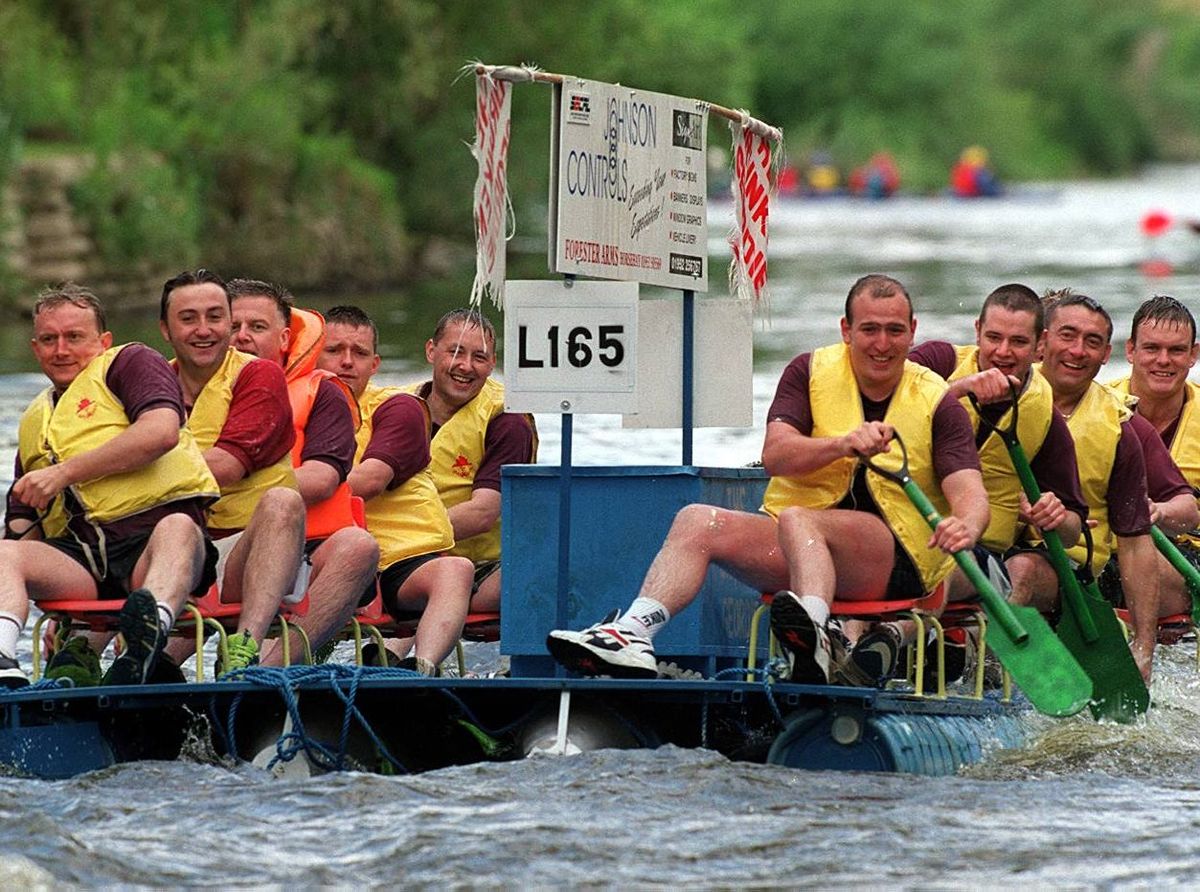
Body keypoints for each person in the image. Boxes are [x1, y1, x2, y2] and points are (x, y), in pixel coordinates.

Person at [547, 274, 989, 683]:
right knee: (698, 519)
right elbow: (776, 456)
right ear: (846, 330)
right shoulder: (807, 372)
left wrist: (965, 525)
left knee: (802, 519)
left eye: (895, 331)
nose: (882, 343)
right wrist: (842, 445)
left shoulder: (937, 399)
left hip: (895, 560)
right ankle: (633, 633)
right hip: (801, 546)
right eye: (870, 329)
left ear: (912, 332)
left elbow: (970, 494)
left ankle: (815, 633)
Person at [850, 283, 1087, 684]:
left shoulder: (1045, 414)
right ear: (977, 330)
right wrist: (955, 392)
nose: (1003, 352)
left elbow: (1071, 531)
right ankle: (845, 650)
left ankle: (895, 638)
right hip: (896, 529)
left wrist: (1055, 516)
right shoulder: (936, 361)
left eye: (1018, 342)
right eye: (993, 338)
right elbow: (874, 416)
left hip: (979, 553)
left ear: (1041, 345)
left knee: (951, 563)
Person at [0, 283, 219, 686]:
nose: (61, 350)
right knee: (5, 553)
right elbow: (23, 523)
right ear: (35, 349)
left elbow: (161, 432)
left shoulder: (130, 363)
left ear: (102, 342)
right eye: (49, 340)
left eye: (74, 338)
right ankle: (3, 658)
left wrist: (63, 473)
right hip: (86, 565)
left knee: (179, 527)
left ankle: (144, 640)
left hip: (152, 547)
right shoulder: (37, 420)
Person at [1006, 291, 1184, 682]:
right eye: (1067, 336)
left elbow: (1137, 543)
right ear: (1040, 341)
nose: (1077, 351)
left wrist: (1143, 647)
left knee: (1018, 572)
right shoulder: (985, 392)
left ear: (1106, 355)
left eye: (1092, 342)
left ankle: (988, 678)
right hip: (973, 544)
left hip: (1068, 564)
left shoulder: (1124, 427)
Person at [159, 269, 307, 673]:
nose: (203, 330)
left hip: (246, 549)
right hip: (174, 548)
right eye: (188, 319)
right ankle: (77, 661)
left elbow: (225, 467)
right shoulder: (146, 383)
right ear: (166, 331)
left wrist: (128, 471)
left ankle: (245, 648)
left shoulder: (260, 374)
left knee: (283, 501)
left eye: (214, 318)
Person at [316, 305, 474, 676]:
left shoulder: (399, 408)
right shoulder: (294, 408)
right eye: (335, 350)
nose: (347, 362)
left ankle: (419, 672)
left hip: (402, 562)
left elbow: (369, 481)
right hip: (324, 558)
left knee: (457, 569)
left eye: (360, 353)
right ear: (312, 355)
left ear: (375, 365)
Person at [228, 279, 380, 665]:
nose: (242, 337)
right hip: (216, 545)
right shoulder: (182, 387)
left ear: (283, 338)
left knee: (359, 546)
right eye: (233, 327)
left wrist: (240, 483)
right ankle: (136, 669)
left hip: (301, 544)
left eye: (257, 328)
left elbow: (323, 477)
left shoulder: (322, 392)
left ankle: (269, 670)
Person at [406, 308, 537, 613]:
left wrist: (403, 535)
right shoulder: (394, 405)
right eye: (455, 352)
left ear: (492, 364)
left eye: (479, 357)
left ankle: (405, 656)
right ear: (430, 351)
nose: (465, 366)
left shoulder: (508, 420)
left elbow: (482, 513)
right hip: (398, 555)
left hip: (482, 567)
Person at [1106, 295, 1200, 627]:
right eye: (1152, 349)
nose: (1164, 360)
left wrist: (1159, 513)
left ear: (1193, 355)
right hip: (1105, 552)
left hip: (1187, 558)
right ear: (1130, 351)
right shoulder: (1099, 405)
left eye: (1176, 350)